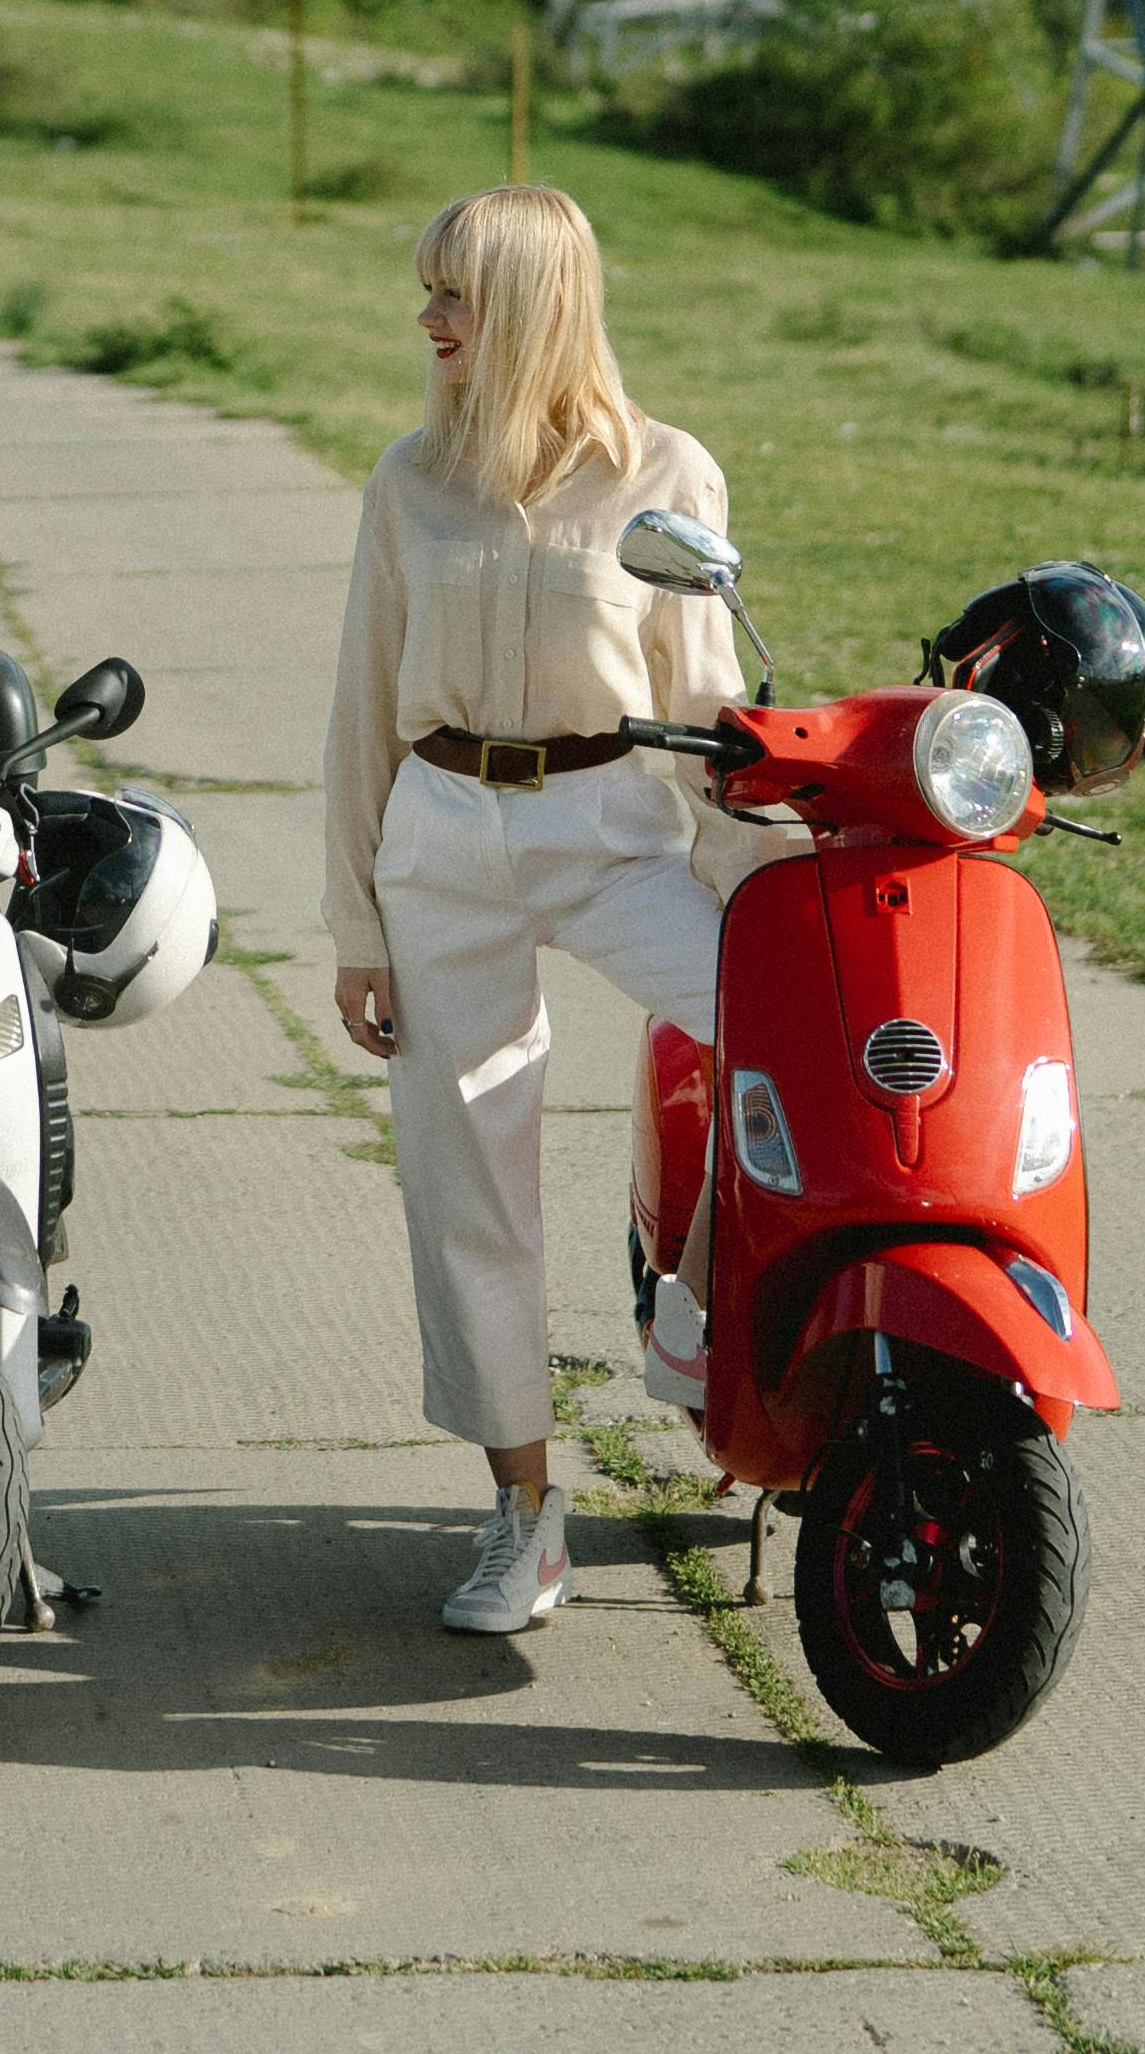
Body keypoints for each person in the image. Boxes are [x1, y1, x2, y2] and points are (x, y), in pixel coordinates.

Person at [321, 183, 779, 1639]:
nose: (430, 319)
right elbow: (356, 718)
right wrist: (357, 929)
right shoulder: (408, 480)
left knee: (791, 1052)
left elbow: (711, 711)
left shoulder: (664, 473)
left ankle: (713, 1335)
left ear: (532, 307)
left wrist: (771, 900)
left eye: (458, 295)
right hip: (444, 835)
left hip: (614, 830)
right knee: (469, 1187)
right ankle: (522, 1514)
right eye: (429, 291)